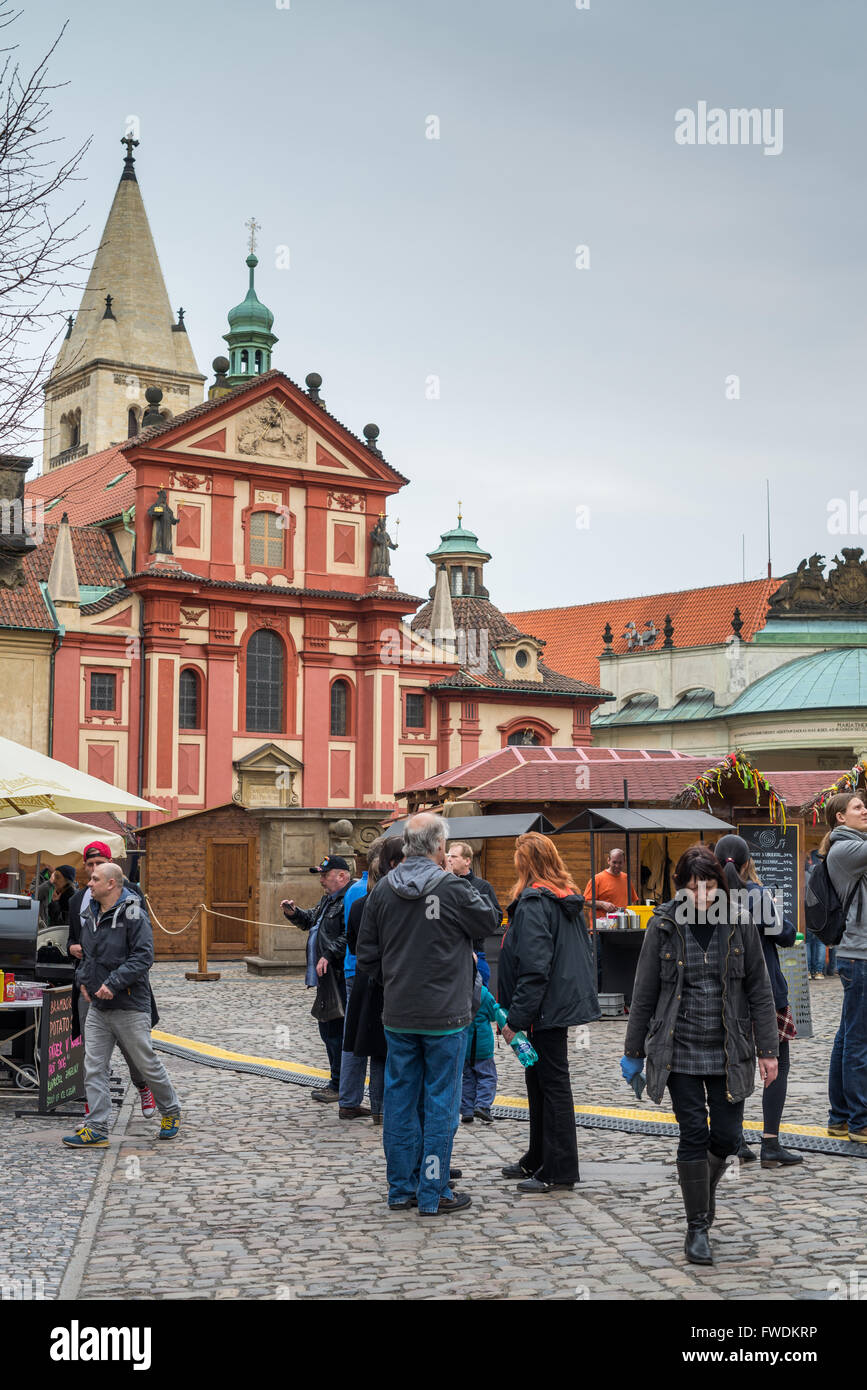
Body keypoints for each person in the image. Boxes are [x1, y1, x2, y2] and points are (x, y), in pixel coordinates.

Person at [622, 844, 778, 1266]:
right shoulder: (664, 926)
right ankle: (697, 1226)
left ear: (720, 885)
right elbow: (645, 992)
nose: (701, 895)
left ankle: (699, 1196)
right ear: (680, 888)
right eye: (693, 887)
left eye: (708, 885)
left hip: (730, 1049)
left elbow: (760, 992)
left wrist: (768, 1050)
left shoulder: (739, 923)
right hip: (679, 1048)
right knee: (692, 1132)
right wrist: (633, 1051)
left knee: (728, 1137)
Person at [356, 812, 498, 1216]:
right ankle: (433, 1191)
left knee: (400, 1101)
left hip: (400, 1013)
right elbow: (489, 920)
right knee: (441, 1103)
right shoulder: (451, 887)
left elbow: (366, 955)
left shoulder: (383, 890)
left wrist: (395, 979)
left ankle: (401, 1189)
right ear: (439, 847)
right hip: (446, 1016)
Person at [498, 832, 598, 1194]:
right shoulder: (560, 898)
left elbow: (535, 968)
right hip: (552, 1007)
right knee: (539, 1083)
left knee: (552, 1087)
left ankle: (559, 1169)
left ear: (526, 865)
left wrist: (516, 1020)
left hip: (543, 1010)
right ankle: (538, 1156)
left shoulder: (536, 902)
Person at [62, 863, 181, 1148]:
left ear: (112, 883)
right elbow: (88, 955)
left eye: (95, 879)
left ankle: (171, 1111)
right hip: (98, 1008)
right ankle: (97, 1127)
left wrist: (112, 983)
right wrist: (82, 981)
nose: (89, 883)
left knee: (146, 1064)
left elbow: (143, 957)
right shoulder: (91, 913)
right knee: (94, 1067)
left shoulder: (133, 914)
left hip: (129, 1004)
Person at [714, 836, 803, 1170]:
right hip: (765, 993)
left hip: (725, 995)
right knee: (777, 1066)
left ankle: (734, 1139)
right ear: (748, 861)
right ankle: (770, 1143)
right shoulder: (755, 895)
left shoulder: (707, 898)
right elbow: (784, 933)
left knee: (730, 1066)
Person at [66, 841, 157, 1121]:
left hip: (124, 987)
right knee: (91, 1052)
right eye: (90, 865)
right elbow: (73, 937)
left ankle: (143, 1086)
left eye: (99, 864)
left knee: (133, 1049)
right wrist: (72, 948)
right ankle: (94, 1108)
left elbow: (141, 945)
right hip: (88, 984)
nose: (94, 871)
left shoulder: (131, 896)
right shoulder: (76, 900)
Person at [282, 856, 353, 1103]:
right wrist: (294, 913)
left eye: (325, 875)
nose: (321, 880)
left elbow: (351, 935)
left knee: (335, 1031)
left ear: (342, 876)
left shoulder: (350, 899)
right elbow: (312, 920)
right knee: (328, 1030)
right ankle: (337, 1082)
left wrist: (330, 954)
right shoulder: (329, 899)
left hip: (339, 976)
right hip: (326, 977)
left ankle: (340, 1084)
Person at [343, 839, 401, 1125]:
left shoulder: (358, 906)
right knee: (386, 1051)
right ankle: (386, 1109)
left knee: (377, 1050)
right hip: (389, 983)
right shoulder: (393, 904)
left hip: (368, 982)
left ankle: (378, 1109)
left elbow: (355, 947)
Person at [821, 792, 867, 1141]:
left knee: (848, 1037)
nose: (865, 810)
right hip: (860, 956)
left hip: (856, 954)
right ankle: (859, 1121)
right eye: (858, 807)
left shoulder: (850, 846)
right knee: (858, 1042)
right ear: (840, 818)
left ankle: (839, 1118)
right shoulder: (846, 849)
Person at [336, 840, 381, 1119]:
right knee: (377, 1041)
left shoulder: (353, 892)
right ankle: (380, 1107)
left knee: (352, 1038)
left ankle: (348, 1099)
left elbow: (351, 938)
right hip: (373, 974)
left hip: (355, 969)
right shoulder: (378, 897)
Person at [446, 841, 501, 983]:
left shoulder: (483, 886)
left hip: (476, 950)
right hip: (450, 952)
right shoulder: (443, 885)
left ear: (467, 861)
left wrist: (477, 930)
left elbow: (497, 917)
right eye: (448, 856)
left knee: (480, 998)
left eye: (454, 856)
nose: (449, 860)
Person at [460, 982, 500, 1125]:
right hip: (482, 1046)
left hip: (465, 1045)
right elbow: (494, 1014)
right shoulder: (484, 994)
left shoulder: (459, 990)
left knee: (468, 1078)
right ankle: (483, 1105)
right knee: (488, 1076)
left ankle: (467, 1110)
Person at [583, 847, 637, 922]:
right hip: (601, 928)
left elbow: (633, 902)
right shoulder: (597, 879)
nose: (617, 866)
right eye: (614, 862)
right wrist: (602, 904)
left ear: (624, 862)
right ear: (608, 861)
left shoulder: (626, 878)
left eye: (620, 863)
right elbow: (586, 901)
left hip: (622, 926)